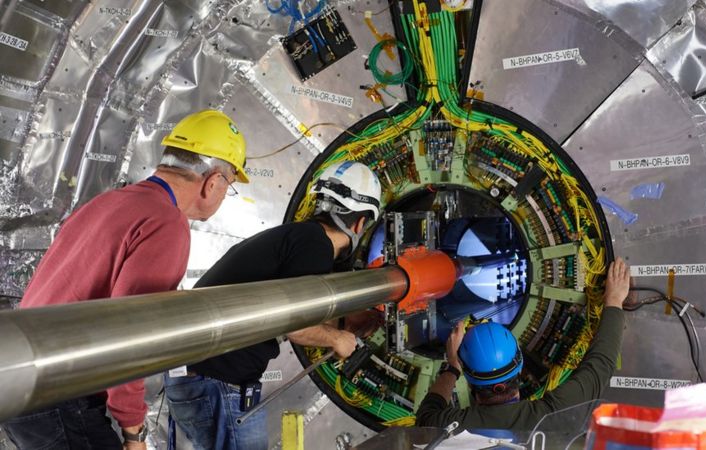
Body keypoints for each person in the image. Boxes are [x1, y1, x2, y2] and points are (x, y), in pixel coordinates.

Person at [1, 110, 248, 450]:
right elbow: (129, 337)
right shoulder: (166, 222)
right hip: (60, 391)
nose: (223, 195)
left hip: (20, 385)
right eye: (230, 186)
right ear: (214, 180)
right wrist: (134, 431)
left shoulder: (109, 201)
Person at [164, 160, 384, 449]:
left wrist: (346, 322)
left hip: (199, 378)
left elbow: (284, 311)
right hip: (216, 383)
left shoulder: (297, 238)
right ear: (360, 223)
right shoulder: (315, 245)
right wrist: (338, 338)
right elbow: (294, 322)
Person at [415, 257, 630, 431]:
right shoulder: (551, 415)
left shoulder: (446, 426)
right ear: (519, 366)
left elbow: (427, 413)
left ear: (470, 382)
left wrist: (452, 367)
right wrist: (614, 299)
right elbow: (600, 365)